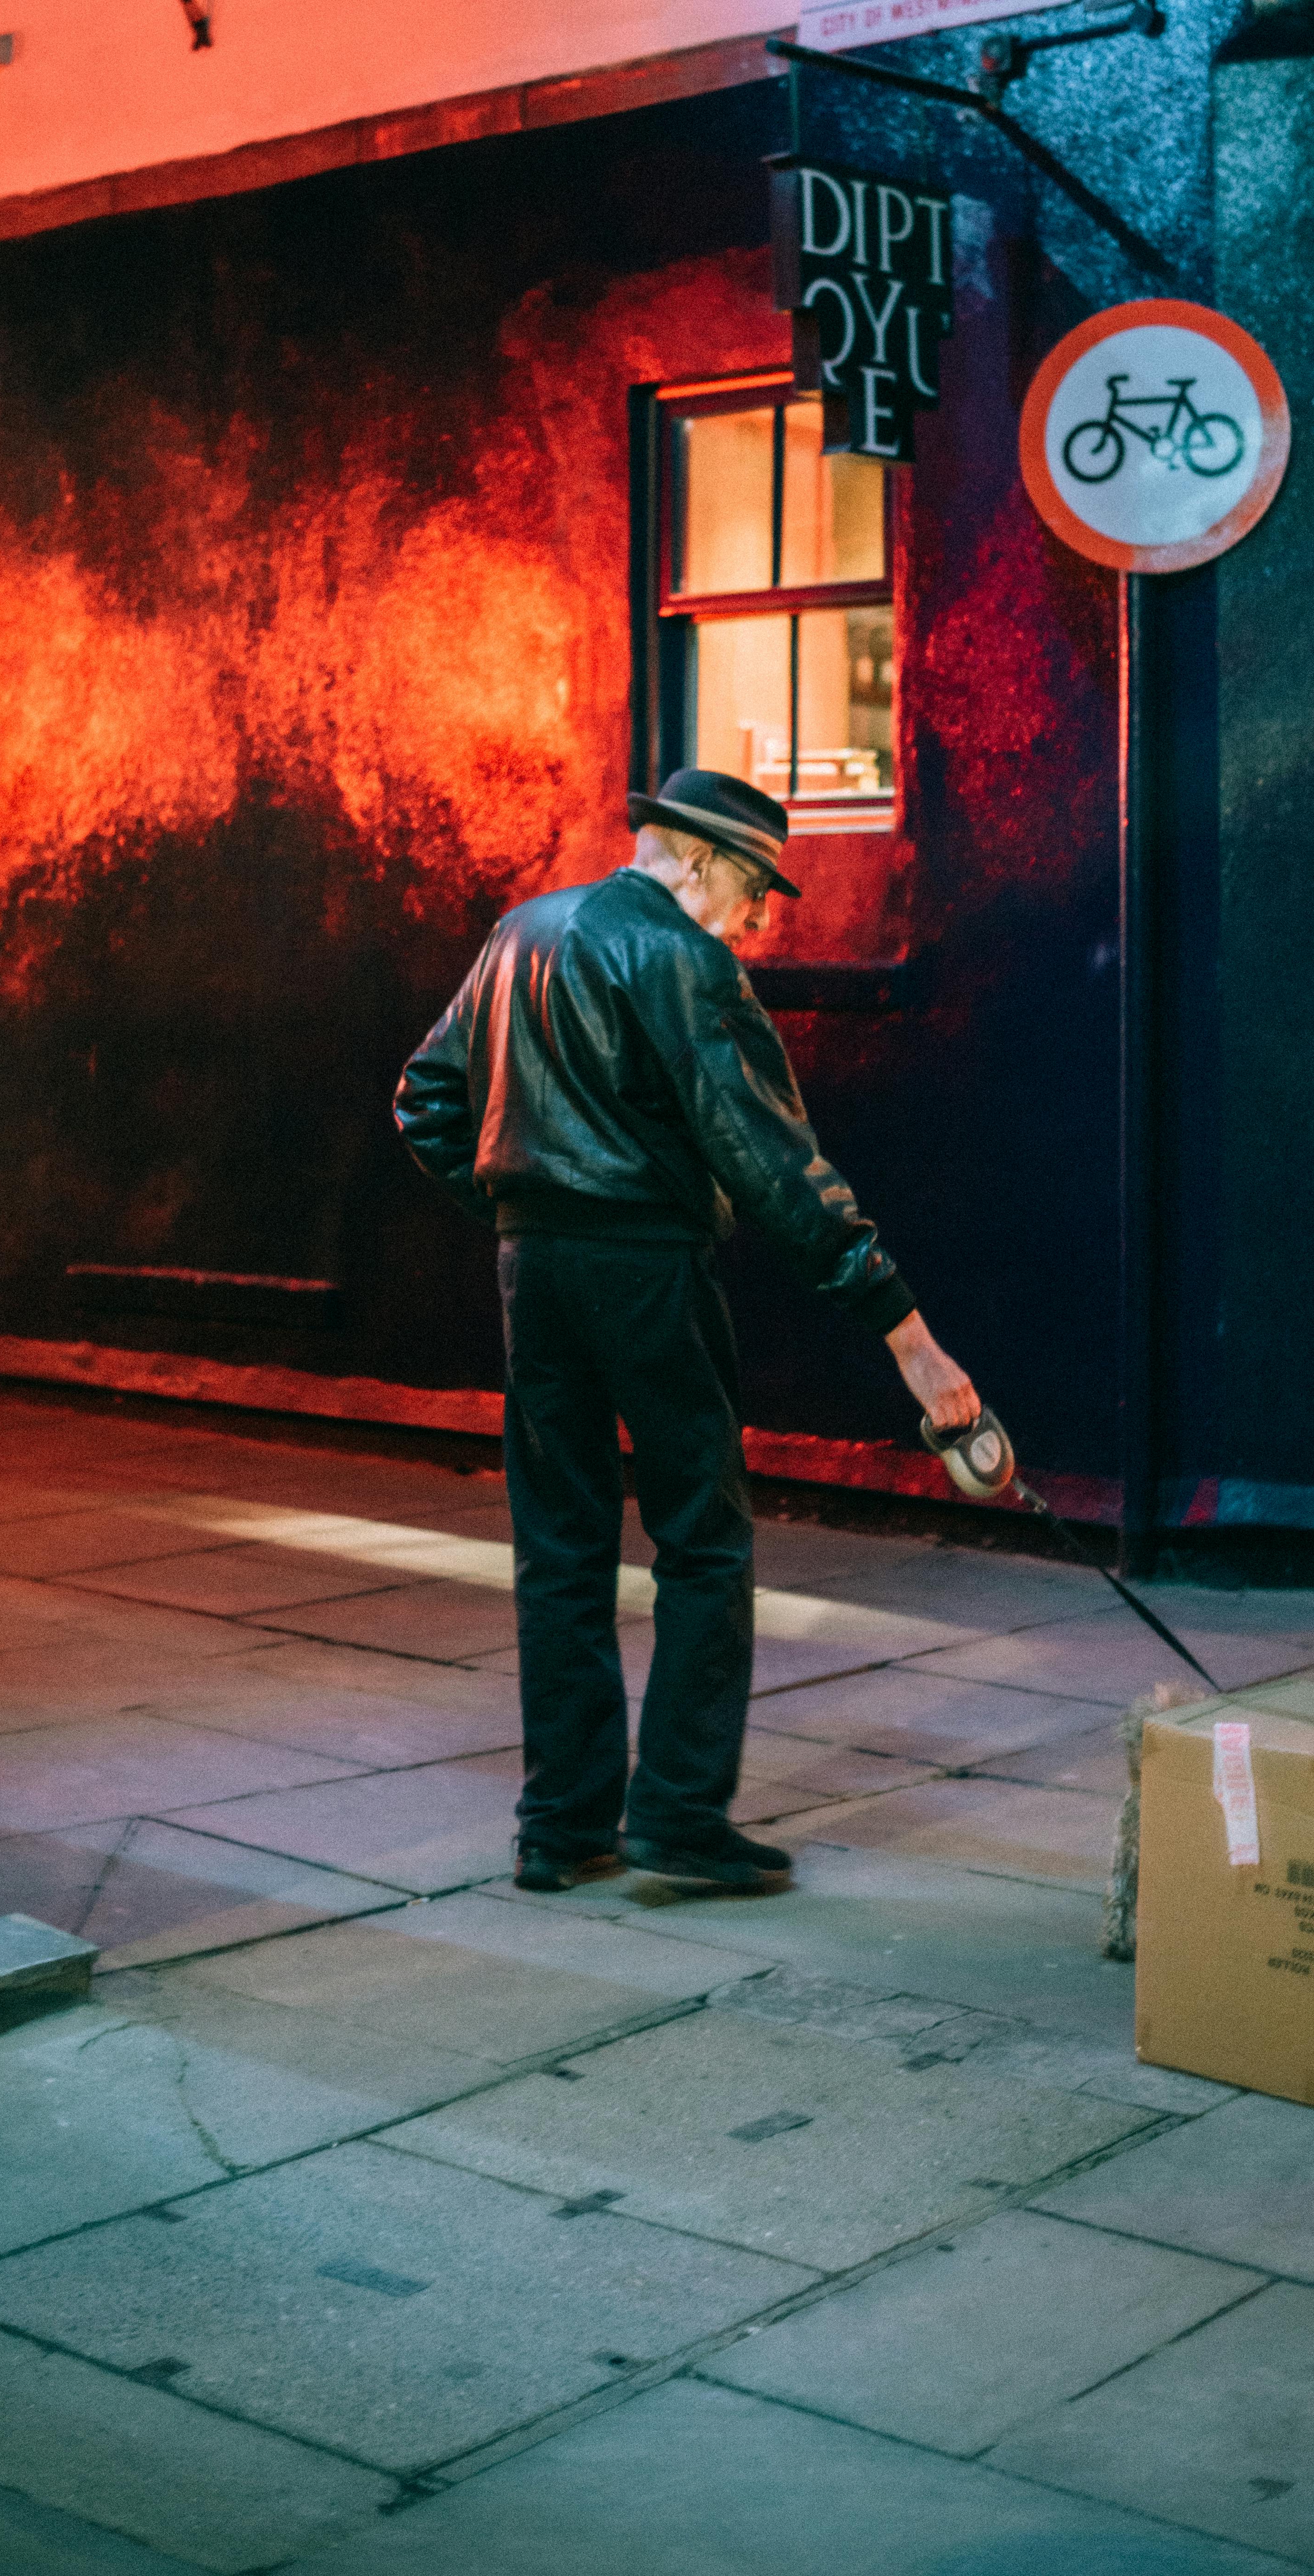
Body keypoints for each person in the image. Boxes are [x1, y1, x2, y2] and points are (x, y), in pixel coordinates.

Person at [394, 767, 980, 1897]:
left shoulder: (521, 932)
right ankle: (675, 1814)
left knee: (559, 1543)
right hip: (647, 1271)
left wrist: (517, 1208)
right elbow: (774, 1165)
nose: (756, 921)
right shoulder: (684, 959)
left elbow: (424, 1097)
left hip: (532, 1270)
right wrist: (905, 1331)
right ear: (701, 860)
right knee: (702, 1539)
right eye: (755, 890)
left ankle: (559, 1826)